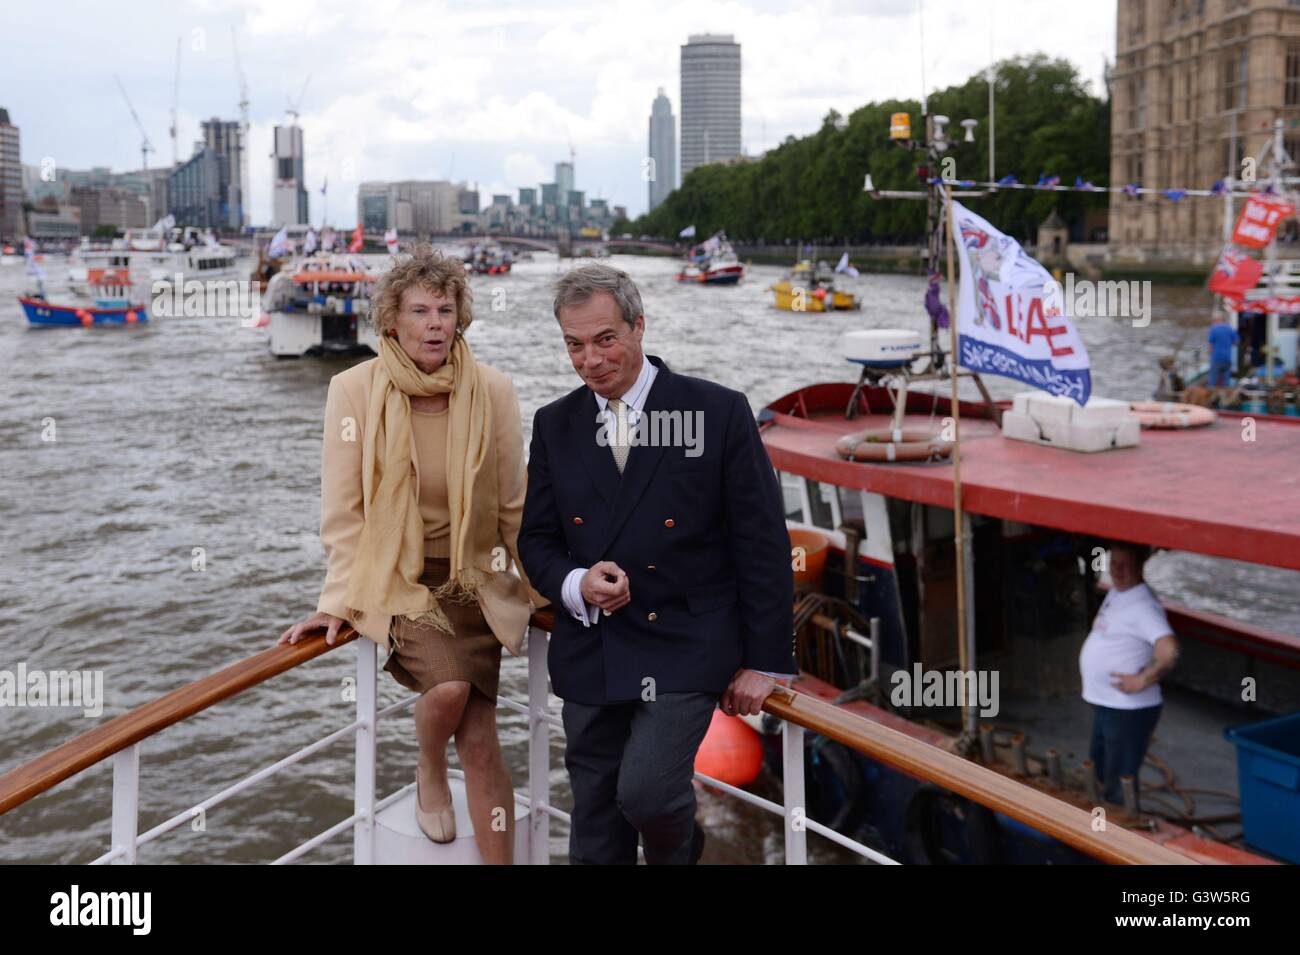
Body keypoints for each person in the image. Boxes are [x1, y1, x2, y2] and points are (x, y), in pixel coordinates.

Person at [518, 263, 797, 865]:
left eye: (604, 340)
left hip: (685, 646)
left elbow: (763, 545)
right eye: (574, 344)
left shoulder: (718, 412)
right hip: (592, 650)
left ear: (639, 326)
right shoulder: (553, 424)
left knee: (645, 793)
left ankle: (680, 853)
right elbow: (536, 541)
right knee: (594, 815)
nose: (589, 360)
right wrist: (577, 583)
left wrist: (768, 662)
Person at [279, 244, 542, 863]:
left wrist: (549, 583)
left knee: (481, 742)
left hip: (473, 578)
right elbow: (344, 514)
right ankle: (427, 765)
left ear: (461, 317)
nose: (435, 323)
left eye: (445, 309)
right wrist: (336, 600)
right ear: (391, 321)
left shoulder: (493, 391)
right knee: (450, 692)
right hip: (399, 579)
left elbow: (513, 507)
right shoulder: (353, 392)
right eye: (420, 310)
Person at [1078, 542, 1179, 807]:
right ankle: (1101, 813)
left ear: (1139, 567)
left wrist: (1143, 679)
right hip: (1108, 704)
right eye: (1113, 565)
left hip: (1129, 708)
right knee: (1100, 766)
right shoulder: (1118, 593)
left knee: (1120, 779)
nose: (1117, 571)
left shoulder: (1143, 605)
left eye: (1124, 566)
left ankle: (1121, 829)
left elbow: (1169, 650)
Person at [1207, 313, 1238, 388]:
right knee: (1226, 383)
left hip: (1216, 358)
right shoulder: (1230, 329)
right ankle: (1225, 397)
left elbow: (1210, 345)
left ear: (1217, 320)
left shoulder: (1214, 329)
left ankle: (1212, 397)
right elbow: (1236, 342)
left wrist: (1209, 353)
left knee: (1212, 382)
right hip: (1227, 358)